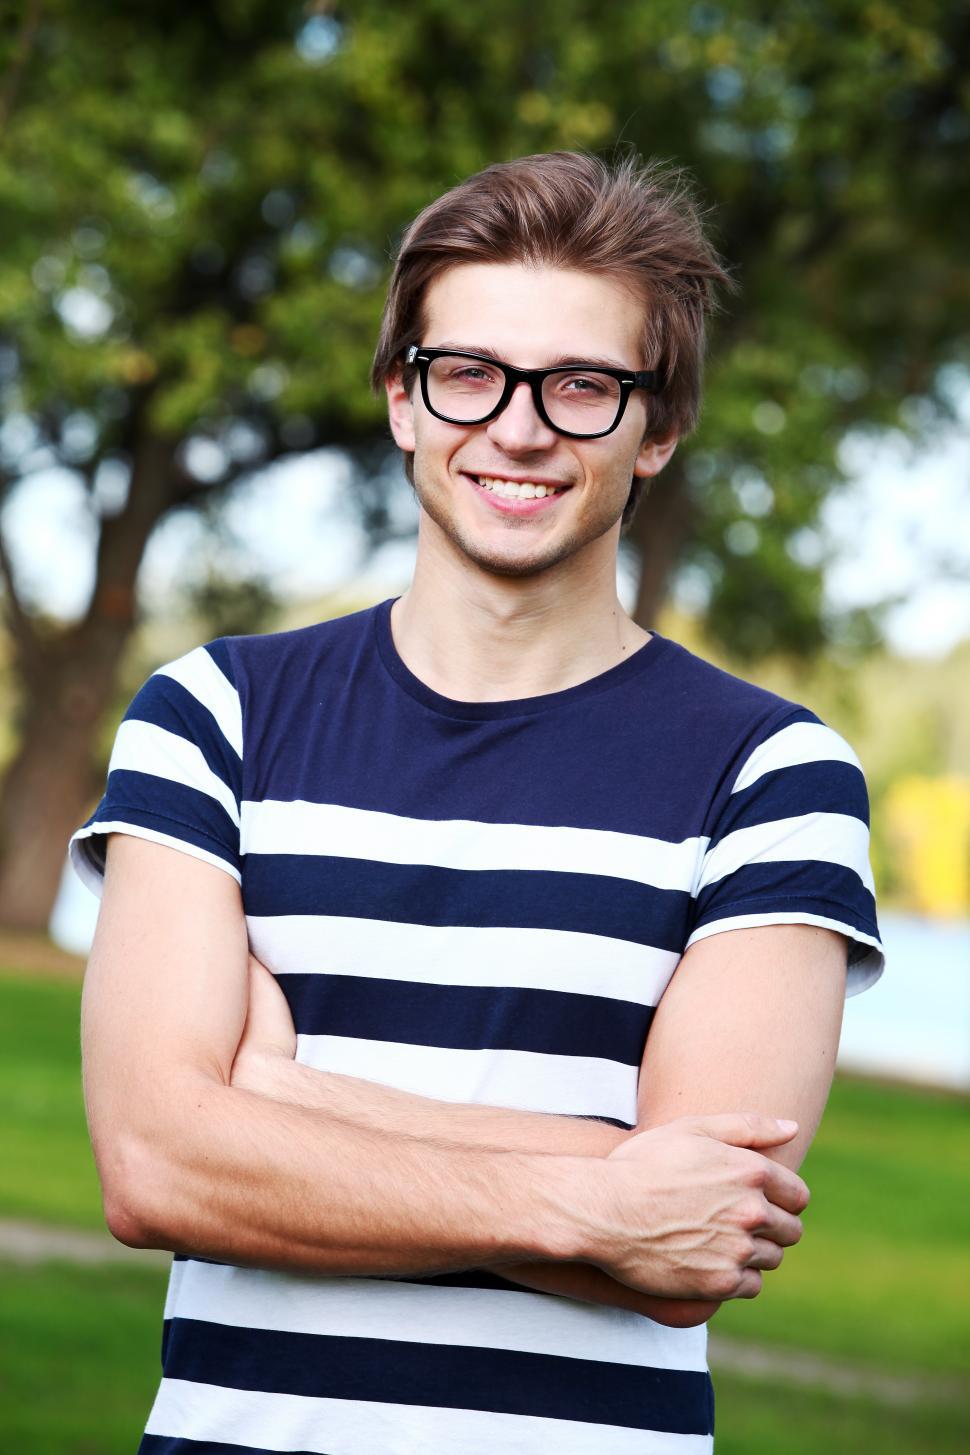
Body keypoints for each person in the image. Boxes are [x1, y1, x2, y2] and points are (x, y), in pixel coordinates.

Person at [72, 150, 883, 1455]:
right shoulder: (211, 717)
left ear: (656, 427)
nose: (514, 428)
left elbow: (697, 1242)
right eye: (468, 375)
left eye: (580, 387)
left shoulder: (770, 775)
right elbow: (156, 1167)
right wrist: (597, 1200)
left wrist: (284, 1098)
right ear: (402, 399)